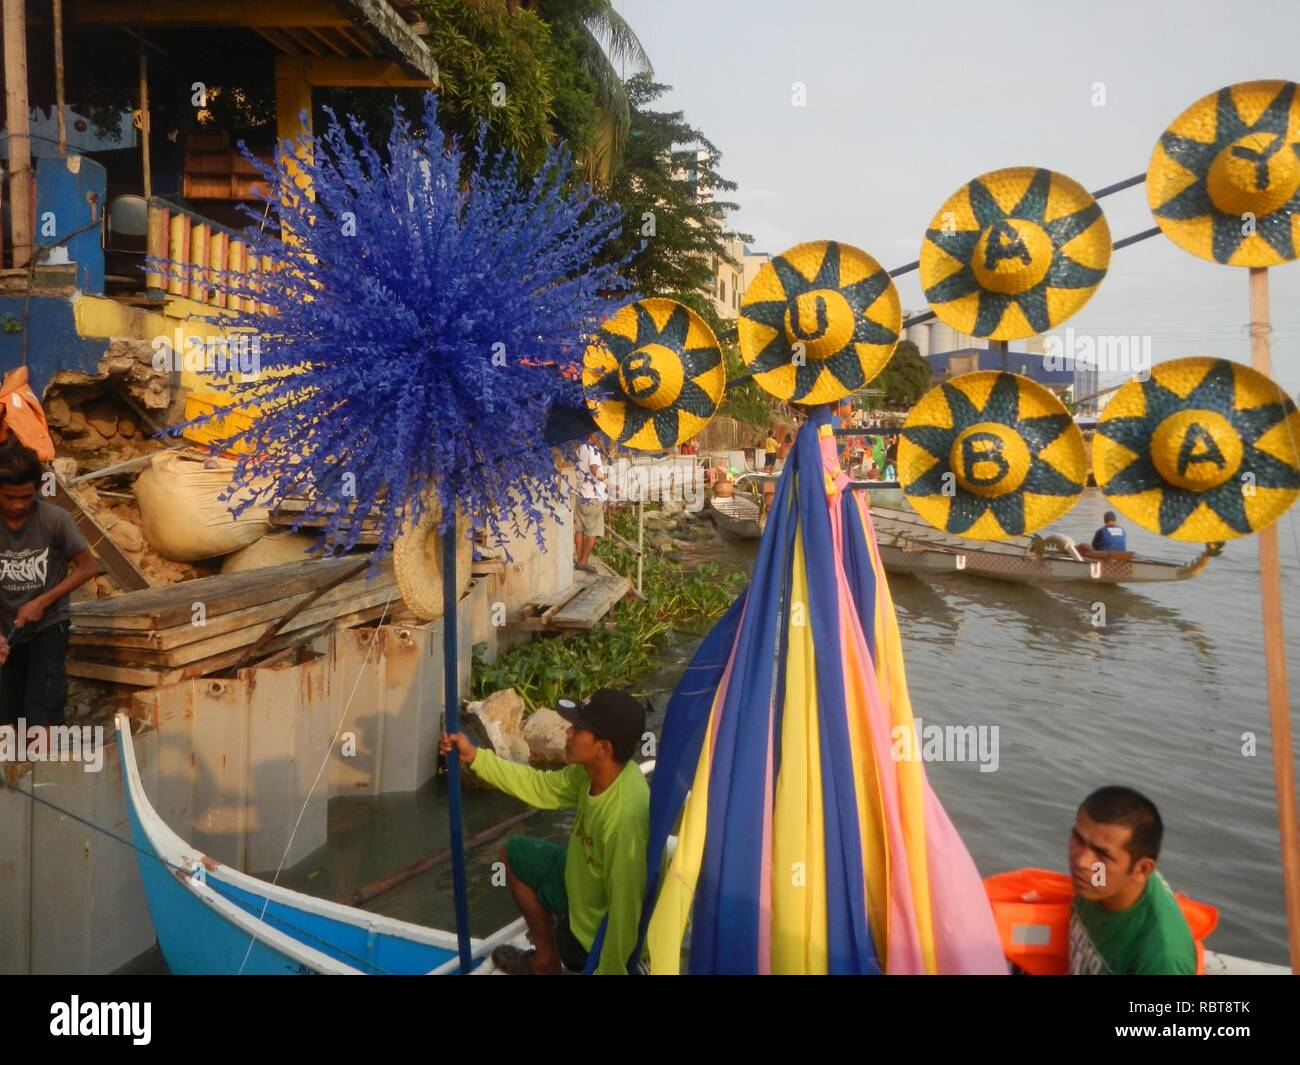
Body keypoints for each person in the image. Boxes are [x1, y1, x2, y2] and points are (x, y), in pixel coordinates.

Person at [439, 689, 649, 975]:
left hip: (588, 939)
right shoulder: (591, 773)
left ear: (604, 748)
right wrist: (476, 757)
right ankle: (546, 962)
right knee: (515, 855)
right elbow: (540, 786)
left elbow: (625, 914)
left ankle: (569, 952)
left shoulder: (625, 817)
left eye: (580, 729)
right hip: (581, 886)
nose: (569, 731)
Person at [0, 439, 97, 729]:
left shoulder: (55, 520)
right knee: (6, 710)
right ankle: (12, 771)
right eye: (8, 497)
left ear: (38, 490)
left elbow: (87, 567)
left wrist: (41, 602)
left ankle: (44, 769)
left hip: (48, 625)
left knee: (44, 706)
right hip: (7, 628)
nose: (18, 505)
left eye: (26, 497)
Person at [1067, 786, 1196, 975]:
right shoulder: (1100, 882)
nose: (1081, 862)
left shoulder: (1161, 960)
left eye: (1102, 854)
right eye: (1078, 839)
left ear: (1142, 869)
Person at [573, 432, 608, 574]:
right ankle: (583, 561)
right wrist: (605, 478)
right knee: (593, 531)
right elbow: (594, 469)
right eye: (597, 435)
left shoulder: (579, 450)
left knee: (580, 529)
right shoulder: (592, 450)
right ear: (591, 435)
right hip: (593, 497)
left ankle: (580, 560)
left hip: (580, 495)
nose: (599, 437)